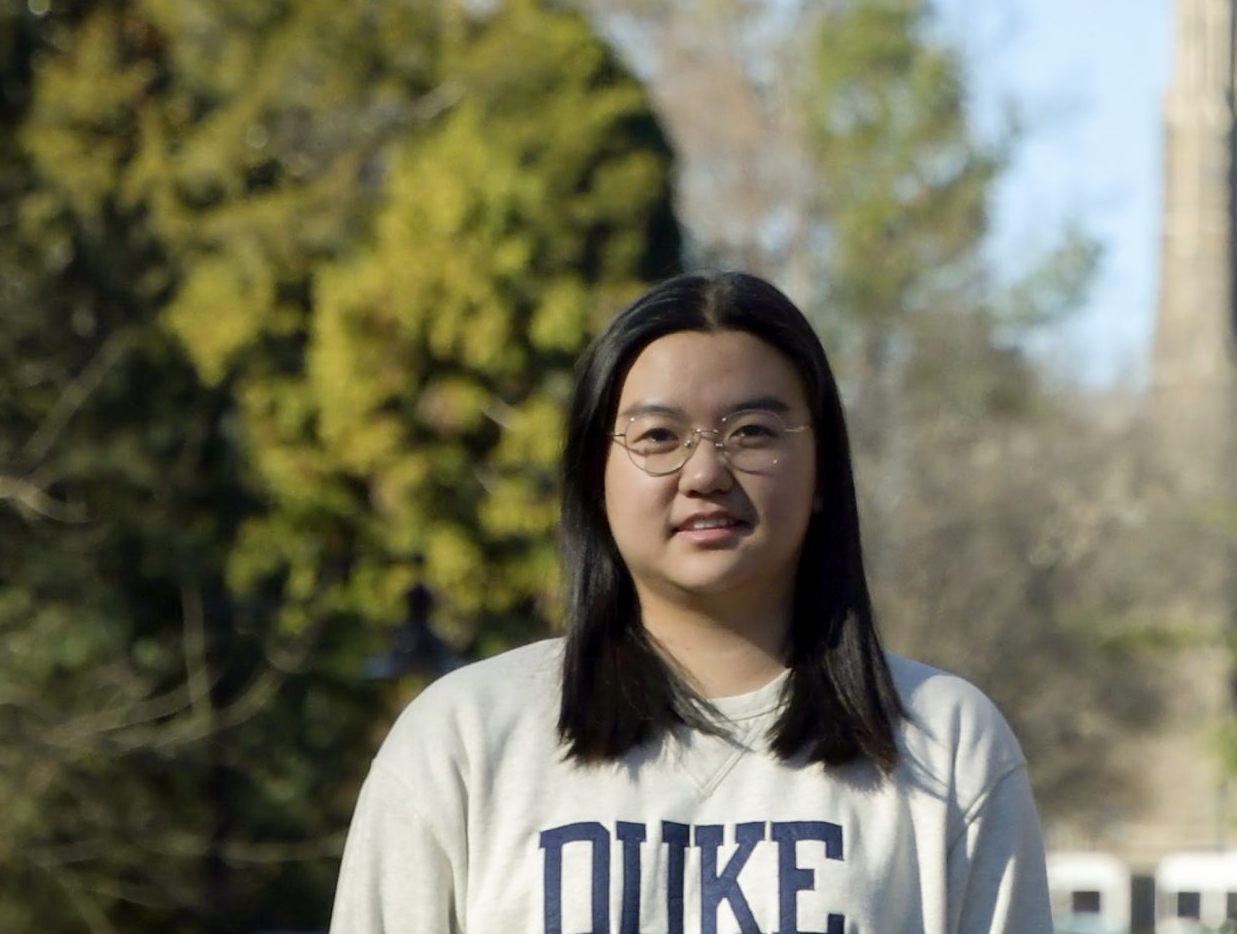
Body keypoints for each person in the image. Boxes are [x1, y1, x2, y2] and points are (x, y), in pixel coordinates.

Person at [329, 271, 1054, 934]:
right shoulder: (464, 741)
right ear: (594, 477)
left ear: (825, 470)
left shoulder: (946, 745)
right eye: (658, 437)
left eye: (752, 433)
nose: (705, 471)